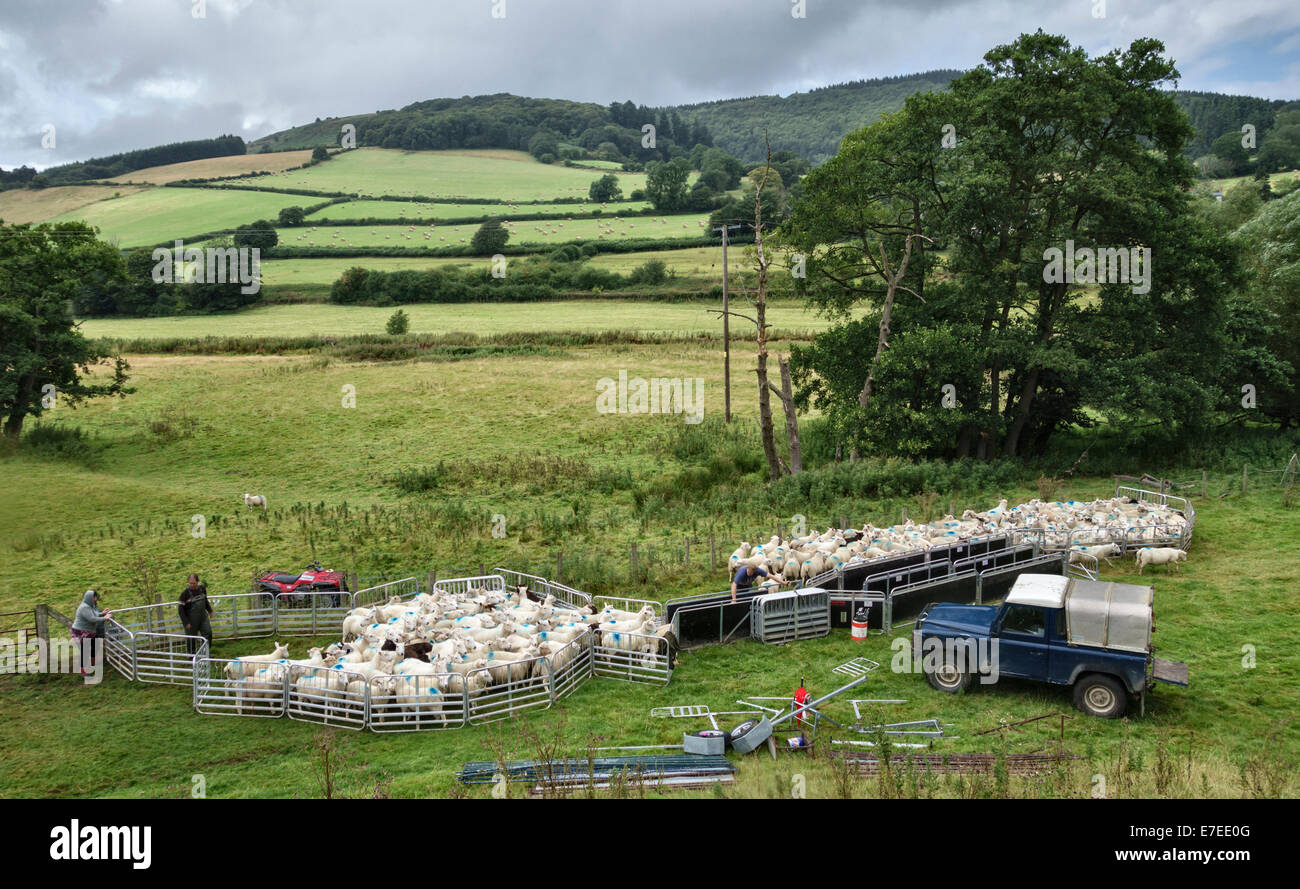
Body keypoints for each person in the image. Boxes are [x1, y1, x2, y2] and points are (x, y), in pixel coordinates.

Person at [70, 590, 111, 674]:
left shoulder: (89, 606)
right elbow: (92, 619)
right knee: (85, 650)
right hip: (80, 632)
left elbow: (94, 613)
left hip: (88, 632)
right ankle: (84, 670)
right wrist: (105, 618)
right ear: (90, 598)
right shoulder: (84, 607)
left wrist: (101, 613)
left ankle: (93, 663)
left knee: (95, 645)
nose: (96, 599)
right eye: (94, 597)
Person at [178, 573, 214, 654]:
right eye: (190, 583)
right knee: (191, 638)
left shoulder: (202, 589)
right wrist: (185, 622)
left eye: (194, 583)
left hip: (203, 617)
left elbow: (205, 601)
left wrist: (210, 610)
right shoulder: (185, 594)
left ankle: (205, 653)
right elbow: (180, 610)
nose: (192, 585)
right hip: (191, 619)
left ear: (198, 581)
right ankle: (191, 655)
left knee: (208, 633)